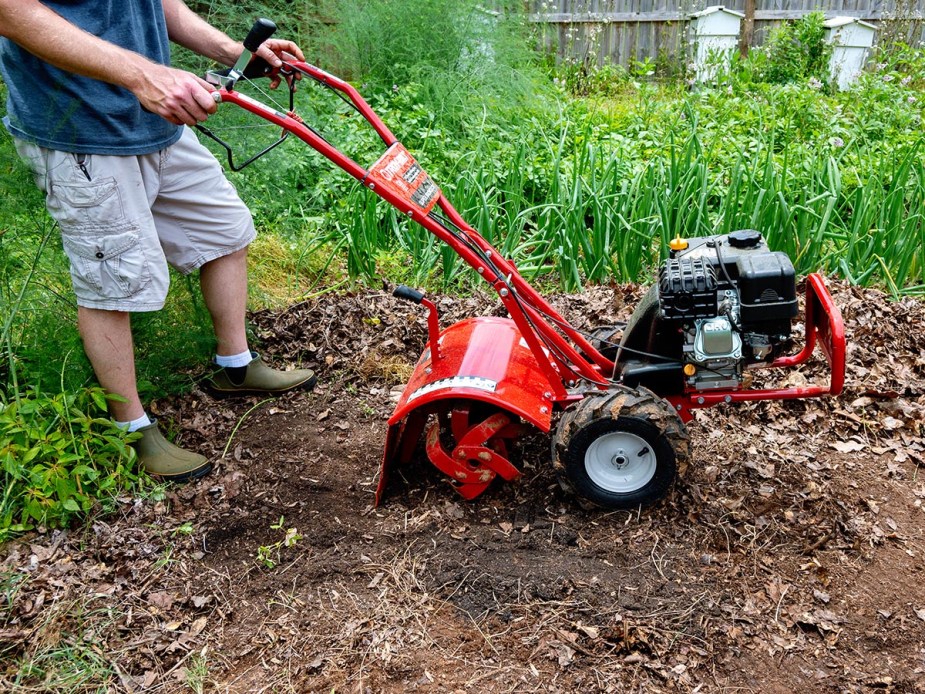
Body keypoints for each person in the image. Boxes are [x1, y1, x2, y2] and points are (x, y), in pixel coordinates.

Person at [0, 0, 316, 481]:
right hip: (83, 128)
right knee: (113, 280)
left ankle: (235, 366)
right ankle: (131, 429)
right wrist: (143, 75)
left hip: (155, 118)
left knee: (225, 229)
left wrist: (233, 51)